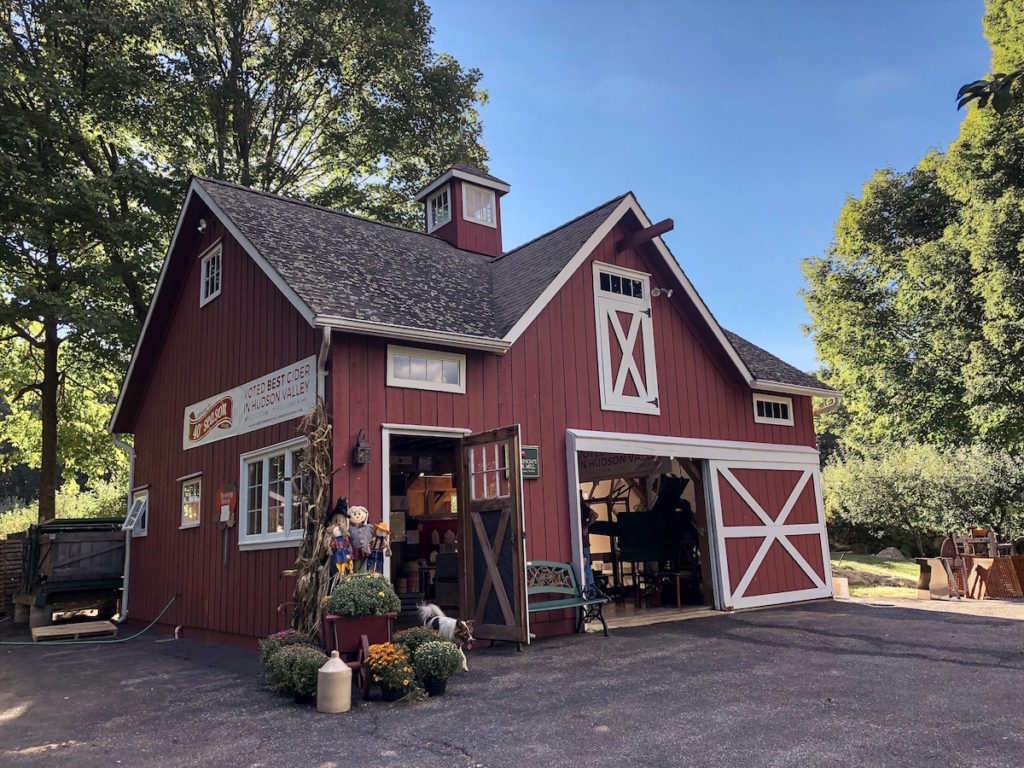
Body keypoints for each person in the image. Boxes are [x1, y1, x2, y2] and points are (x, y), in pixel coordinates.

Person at [580, 493, 600, 597]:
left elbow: (595, 515)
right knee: (586, 567)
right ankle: (590, 593)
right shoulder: (582, 506)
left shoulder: (581, 506)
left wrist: (585, 526)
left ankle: (589, 593)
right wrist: (586, 525)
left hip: (582, 543)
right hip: (584, 542)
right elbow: (595, 515)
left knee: (585, 567)